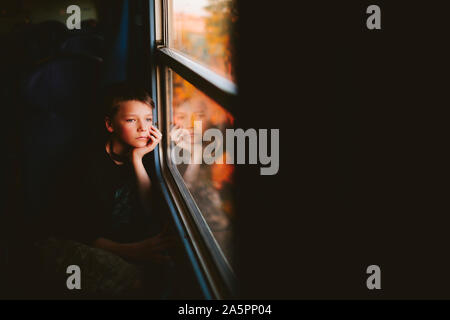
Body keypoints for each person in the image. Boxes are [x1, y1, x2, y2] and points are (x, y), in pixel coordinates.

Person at [34, 82, 176, 298]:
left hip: (116, 240)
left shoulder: (146, 153)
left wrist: (137, 160)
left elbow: (150, 210)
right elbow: (80, 232)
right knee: (138, 282)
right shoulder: (88, 166)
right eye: (131, 120)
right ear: (110, 125)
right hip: (72, 243)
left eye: (148, 119)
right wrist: (135, 250)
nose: (143, 128)